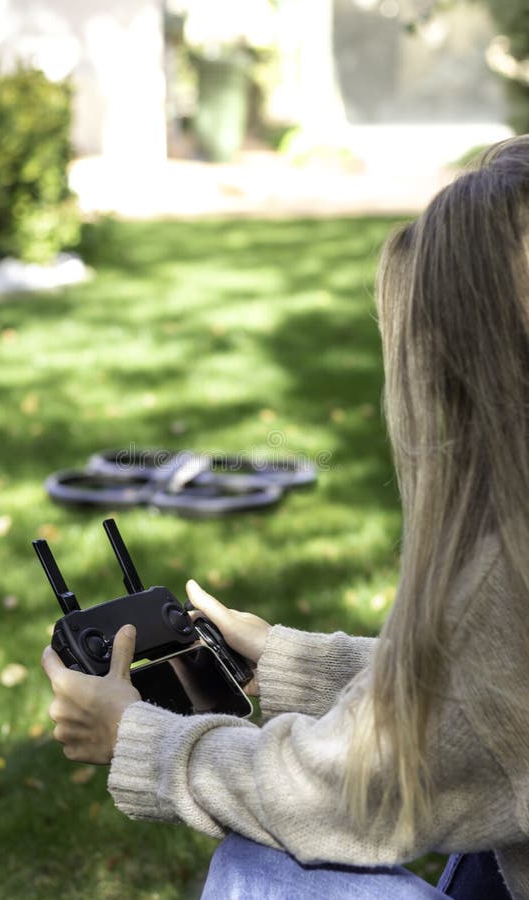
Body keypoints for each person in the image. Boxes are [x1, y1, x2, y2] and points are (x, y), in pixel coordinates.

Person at [41, 136, 529, 899]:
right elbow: (490, 703)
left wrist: (138, 740)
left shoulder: (505, 568)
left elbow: (342, 796)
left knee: (260, 866)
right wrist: (291, 660)